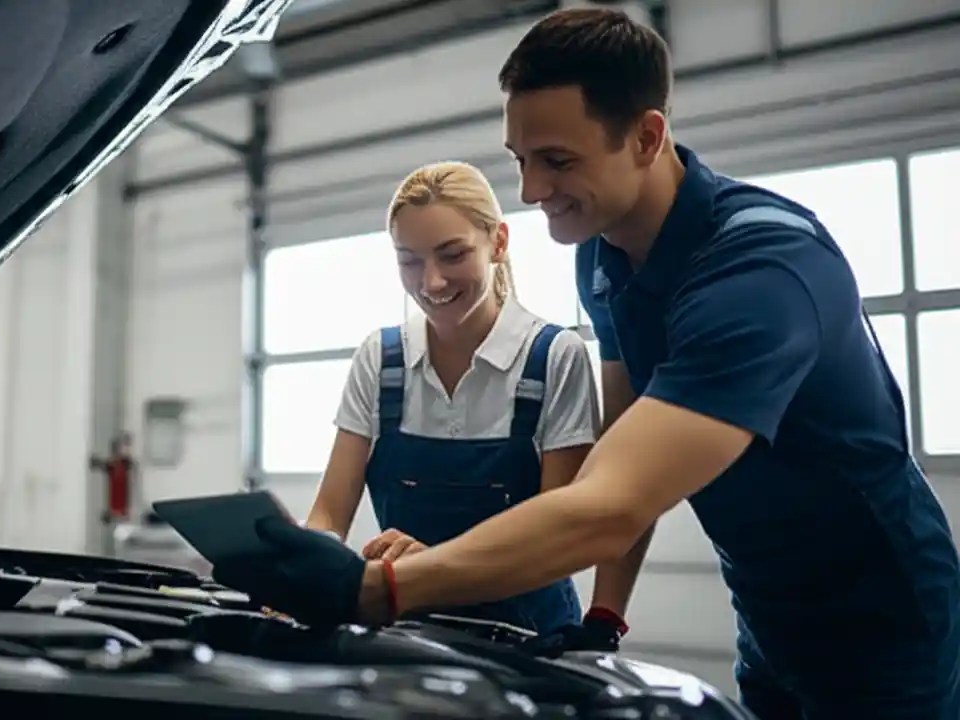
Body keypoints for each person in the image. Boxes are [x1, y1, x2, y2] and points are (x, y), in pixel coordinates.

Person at [211, 7, 960, 719]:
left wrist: (376, 591)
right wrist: (607, 612)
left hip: (885, 619)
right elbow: (624, 440)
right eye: (521, 161)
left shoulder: (762, 273)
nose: (533, 192)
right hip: (766, 606)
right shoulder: (603, 257)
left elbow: (609, 504)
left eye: (558, 161)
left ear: (646, 136)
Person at [300, 160, 631, 644]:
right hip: (412, 635)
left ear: (498, 242)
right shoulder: (380, 359)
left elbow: (557, 539)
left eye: (452, 255)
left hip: (530, 642)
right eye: (409, 261)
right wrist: (308, 559)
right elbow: (329, 513)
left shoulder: (554, 358)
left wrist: (427, 565)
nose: (430, 283)